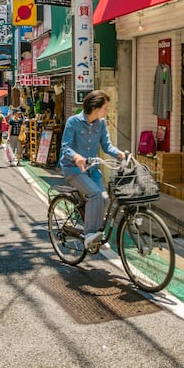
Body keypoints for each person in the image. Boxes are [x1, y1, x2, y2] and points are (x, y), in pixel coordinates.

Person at [59, 90, 125, 249]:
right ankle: (89, 234)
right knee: (95, 193)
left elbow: (107, 145)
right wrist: (76, 157)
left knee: (104, 197)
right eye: (105, 108)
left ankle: (95, 235)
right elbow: (65, 146)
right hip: (73, 169)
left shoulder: (100, 124)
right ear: (95, 108)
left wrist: (120, 154)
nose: (106, 112)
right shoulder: (73, 122)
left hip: (92, 169)